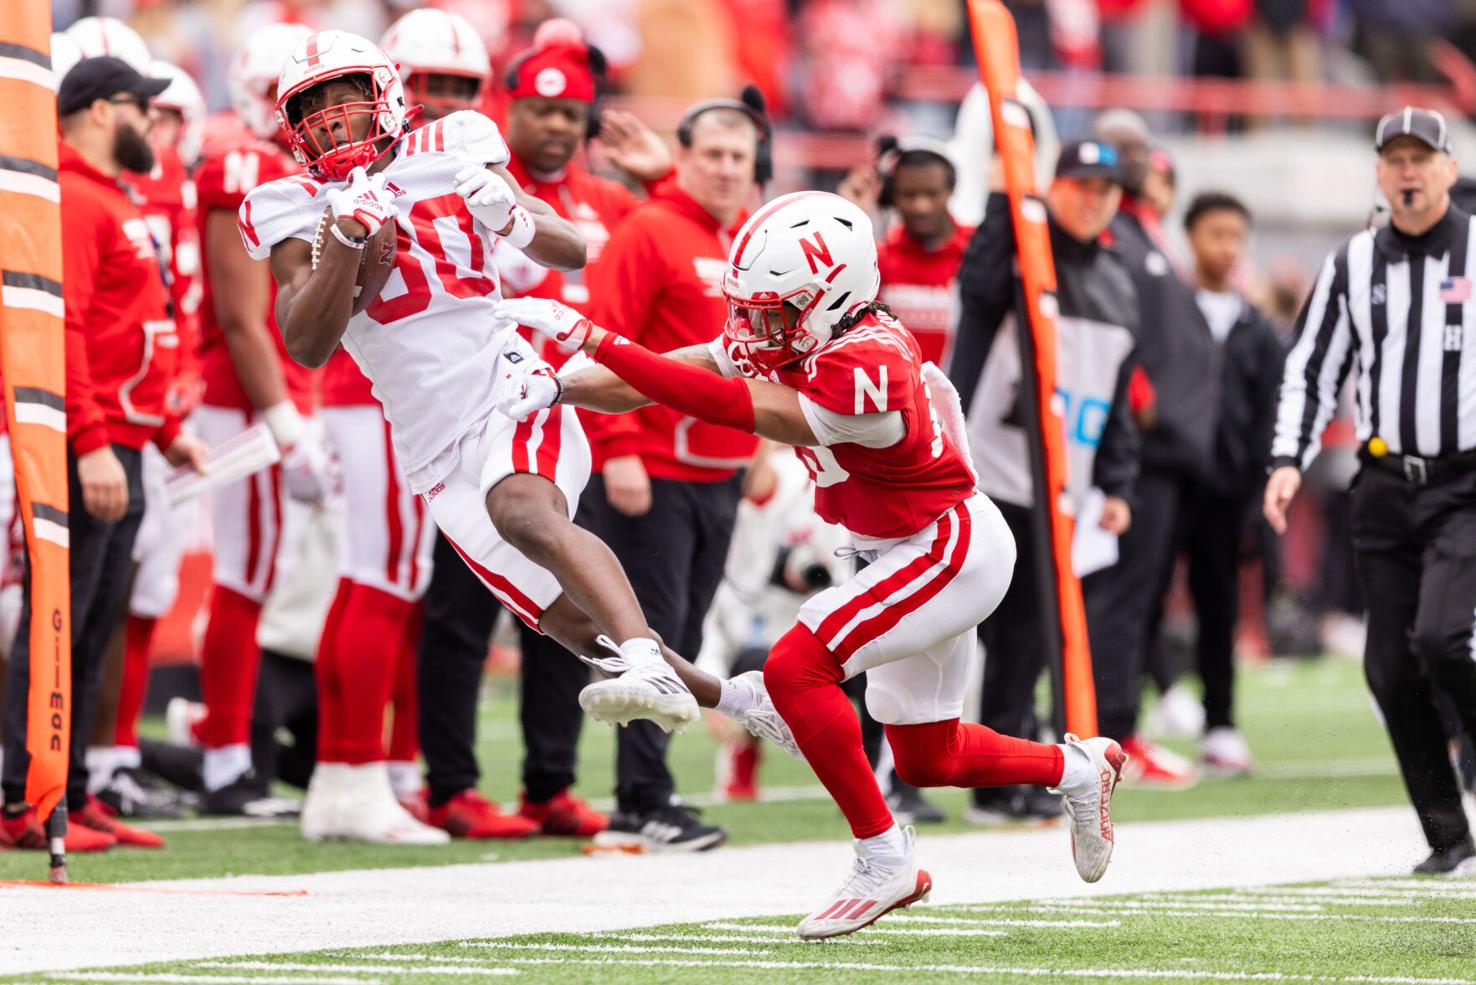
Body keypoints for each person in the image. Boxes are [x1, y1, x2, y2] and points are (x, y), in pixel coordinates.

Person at [496, 191, 1128, 941]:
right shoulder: (801, 333)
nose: (750, 328)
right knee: (930, 755)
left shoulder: (870, 360)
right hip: (899, 547)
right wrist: (557, 385)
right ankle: (1080, 769)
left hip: (943, 547)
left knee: (799, 667)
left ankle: (883, 855)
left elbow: (732, 405)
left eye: (771, 311)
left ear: (833, 297)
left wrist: (597, 340)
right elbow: (673, 370)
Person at [241, 30, 792, 798]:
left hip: (506, 381)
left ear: (387, 95)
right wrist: (346, 237)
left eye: (345, 99)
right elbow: (306, 340)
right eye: (313, 107)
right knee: (568, 621)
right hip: (428, 438)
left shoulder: (456, 140)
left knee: (524, 511)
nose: (333, 120)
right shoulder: (283, 203)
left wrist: (510, 213)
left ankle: (646, 662)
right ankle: (737, 696)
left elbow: (572, 250)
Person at [405, 22, 662, 841]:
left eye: (572, 112)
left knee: (561, 599)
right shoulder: (460, 175)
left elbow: (633, 314)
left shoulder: (616, 201)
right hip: (474, 409)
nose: (556, 125)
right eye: (541, 110)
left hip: (570, 413)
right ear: (506, 109)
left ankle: (549, 780)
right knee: (457, 608)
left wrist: (663, 187)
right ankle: (449, 782)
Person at [0, 57, 207, 853]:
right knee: (58, 620)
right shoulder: (74, 199)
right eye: (139, 107)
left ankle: (72, 790)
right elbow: (62, 328)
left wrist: (158, 430)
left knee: (93, 626)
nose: (153, 124)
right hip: (90, 445)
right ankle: (24, 796)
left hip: (125, 439)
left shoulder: (112, 196)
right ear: (94, 110)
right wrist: (88, 441)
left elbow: (129, 338)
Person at [1265, 107, 1476, 876]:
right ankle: (1447, 832)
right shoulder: (1354, 263)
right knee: (1387, 665)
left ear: (1449, 170)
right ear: (1381, 174)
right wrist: (1287, 457)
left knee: (1443, 637)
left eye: (1424, 157)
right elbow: (1312, 368)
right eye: (1396, 158)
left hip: (1465, 483)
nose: (1410, 170)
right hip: (1385, 483)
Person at [567, 90, 773, 853]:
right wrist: (618, 450)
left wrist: (756, 451)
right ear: (681, 159)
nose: (725, 169)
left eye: (738, 158)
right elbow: (605, 343)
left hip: (719, 470)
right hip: (652, 469)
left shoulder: (749, 241)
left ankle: (647, 793)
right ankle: (643, 798)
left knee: (685, 633)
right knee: (652, 639)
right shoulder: (649, 231)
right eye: (711, 154)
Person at [949, 140, 1140, 823]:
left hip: (1061, 487)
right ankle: (917, 766)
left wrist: (1116, 483)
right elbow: (977, 291)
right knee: (960, 627)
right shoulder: (1021, 252)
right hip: (988, 471)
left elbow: (1115, 396)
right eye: (1081, 184)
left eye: (1107, 188)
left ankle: (1004, 777)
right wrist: (1005, 197)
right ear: (1053, 188)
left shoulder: (1119, 280)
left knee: (1029, 640)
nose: (1093, 198)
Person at [190, 23, 335, 817]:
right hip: (242, 402)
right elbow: (244, 319)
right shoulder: (243, 164)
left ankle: (224, 752)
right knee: (244, 583)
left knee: (259, 581)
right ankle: (223, 762)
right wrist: (284, 420)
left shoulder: (277, 167)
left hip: (272, 398)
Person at [1089, 108, 1218, 785]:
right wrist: (1146, 409)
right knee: (1119, 597)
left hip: (1165, 454)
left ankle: (1119, 729)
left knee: (1135, 598)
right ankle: (1110, 735)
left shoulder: (1141, 231)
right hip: (1138, 451)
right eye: (1120, 147)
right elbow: (1119, 337)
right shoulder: (1111, 235)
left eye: (1141, 146)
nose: (1136, 157)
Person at [1175, 191, 1285, 776]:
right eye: (1215, 233)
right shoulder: (1169, 308)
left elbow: (1270, 409)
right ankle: (1131, 715)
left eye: (1235, 236)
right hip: (1164, 480)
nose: (1226, 247)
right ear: (1191, 237)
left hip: (1226, 490)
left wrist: (1261, 480)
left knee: (1219, 607)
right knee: (1135, 600)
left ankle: (1220, 724)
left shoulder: (1257, 328)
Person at [839, 136, 973, 369]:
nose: (921, 206)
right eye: (909, 195)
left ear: (951, 189)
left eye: (932, 194)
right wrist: (849, 220)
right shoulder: (875, 259)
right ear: (892, 196)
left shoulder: (977, 251)